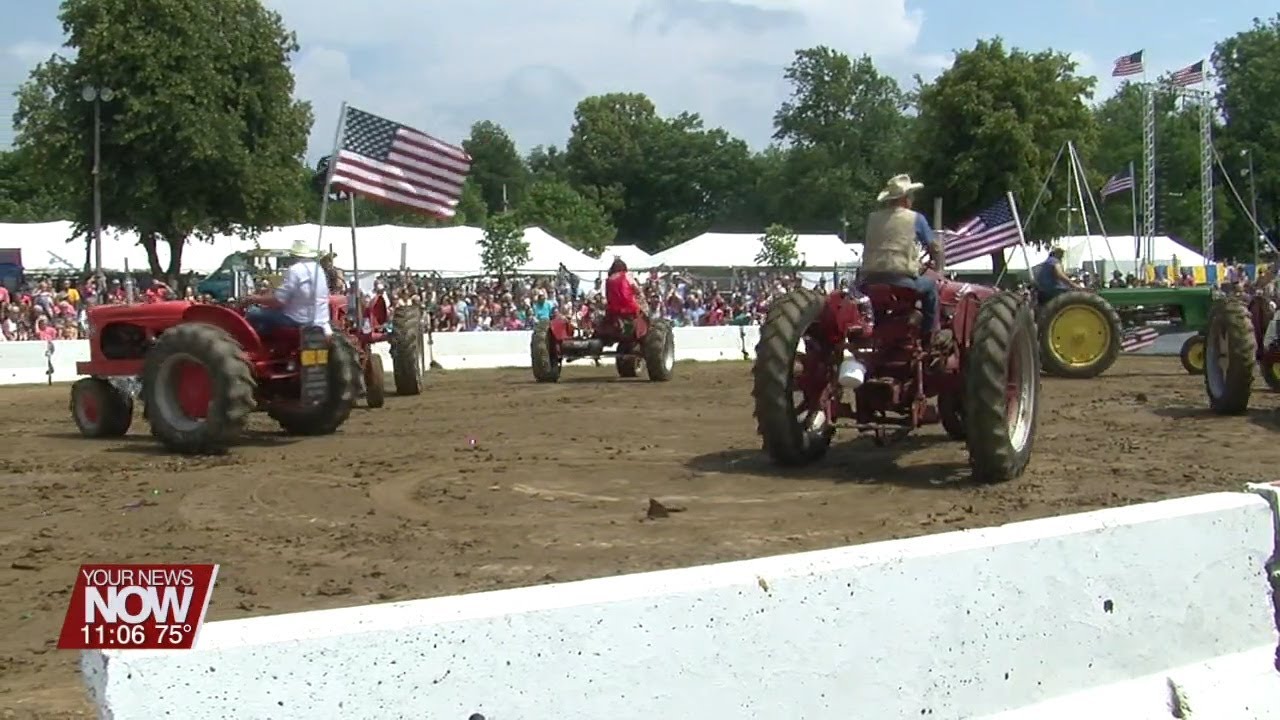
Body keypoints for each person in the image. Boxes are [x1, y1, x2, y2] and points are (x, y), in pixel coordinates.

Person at [860, 174, 943, 337]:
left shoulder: (873, 218)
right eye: (911, 196)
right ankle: (929, 334)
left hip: (870, 279)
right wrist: (939, 268)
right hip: (901, 280)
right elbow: (935, 247)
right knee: (931, 287)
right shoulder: (914, 218)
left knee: (879, 302)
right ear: (906, 198)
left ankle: (880, 330)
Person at [245, 239, 331, 336]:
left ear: (293, 256)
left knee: (253, 312)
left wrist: (254, 299)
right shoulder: (318, 269)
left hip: (298, 319)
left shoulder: (295, 269)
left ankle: (264, 345)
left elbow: (279, 300)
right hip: (320, 319)